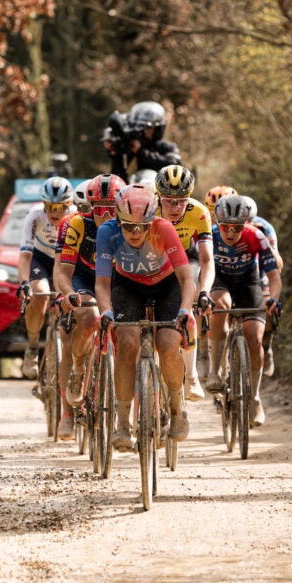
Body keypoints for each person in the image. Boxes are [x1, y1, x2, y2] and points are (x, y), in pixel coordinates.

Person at [95, 184, 196, 452]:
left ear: (152, 221)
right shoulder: (107, 232)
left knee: (168, 345)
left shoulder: (164, 228)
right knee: (127, 343)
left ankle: (176, 409)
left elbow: (187, 279)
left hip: (166, 286)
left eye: (143, 226)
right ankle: (122, 424)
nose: (136, 232)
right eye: (129, 226)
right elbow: (102, 283)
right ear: (118, 221)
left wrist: (185, 310)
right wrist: (106, 311)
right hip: (128, 286)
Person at [204, 194, 282, 429]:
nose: (230, 232)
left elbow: (274, 275)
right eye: (225, 226)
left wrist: (274, 299)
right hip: (220, 280)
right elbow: (201, 266)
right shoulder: (209, 236)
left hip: (249, 283)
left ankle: (255, 397)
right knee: (220, 306)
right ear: (218, 223)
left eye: (237, 227)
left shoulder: (256, 236)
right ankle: (215, 371)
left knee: (254, 337)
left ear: (245, 224)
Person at [55, 174, 125, 413]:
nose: (105, 216)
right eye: (99, 209)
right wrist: (68, 293)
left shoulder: (129, 225)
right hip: (84, 277)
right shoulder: (77, 224)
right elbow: (63, 271)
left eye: (111, 210)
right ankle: (78, 369)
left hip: (116, 280)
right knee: (88, 317)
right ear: (90, 207)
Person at [16, 177, 77, 426]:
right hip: (41, 259)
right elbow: (24, 256)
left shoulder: (75, 218)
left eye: (60, 207)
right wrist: (24, 283)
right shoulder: (34, 217)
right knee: (39, 294)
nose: (55, 213)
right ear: (43, 205)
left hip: (66, 260)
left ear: (69, 205)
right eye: (50, 207)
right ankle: (32, 347)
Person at [155, 164, 215, 402]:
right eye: (168, 201)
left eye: (181, 201)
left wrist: (205, 290)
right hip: (155, 259)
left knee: (187, 302)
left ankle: (191, 375)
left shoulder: (199, 212)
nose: (175, 207)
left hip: (186, 259)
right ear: (158, 196)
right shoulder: (148, 209)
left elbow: (207, 259)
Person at [243, 195, 284, 378]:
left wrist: (265, 245)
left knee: (268, 307)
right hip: (237, 274)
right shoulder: (228, 227)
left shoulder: (265, 228)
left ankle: (266, 346)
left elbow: (276, 263)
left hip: (260, 273)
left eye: (248, 222)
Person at [104, 101, 183, 179]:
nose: (144, 131)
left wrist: (140, 152)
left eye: (148, 128)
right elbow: (118, 179)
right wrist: (115, 155)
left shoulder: (166, 147)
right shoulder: (130, 147)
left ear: (157, 129)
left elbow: (175, 165)